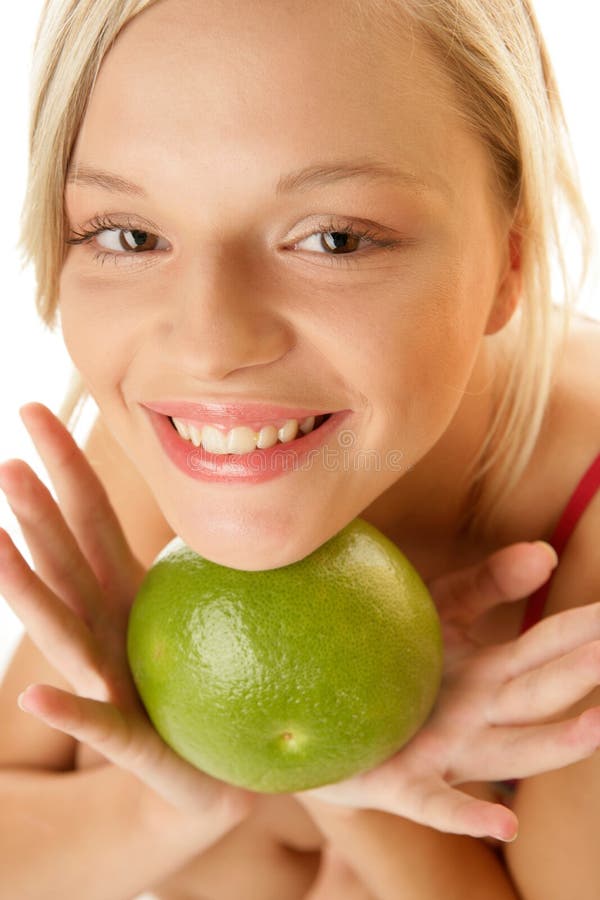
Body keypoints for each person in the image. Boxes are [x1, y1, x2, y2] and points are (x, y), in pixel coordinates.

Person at [0, 0, 598, 897]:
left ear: (509, 261)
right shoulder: (198, 432)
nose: (209, 345)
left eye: (336, 238)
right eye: (131, 235)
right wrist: (170, 803)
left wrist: (356, 793)